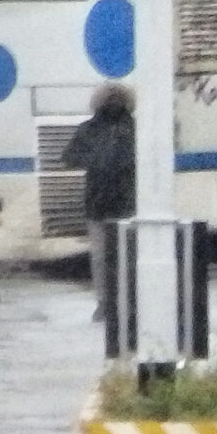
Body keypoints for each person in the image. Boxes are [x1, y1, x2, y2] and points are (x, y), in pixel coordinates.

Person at [63, 83, 136, 319]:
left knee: (126, 255)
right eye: (109, 99)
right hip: (100, 202)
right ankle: (105, 301)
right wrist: (96, 159)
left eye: (117, 99)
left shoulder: (134, 129)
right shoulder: (89, 129)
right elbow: (69, 157)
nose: (113, 104)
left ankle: (126, 300)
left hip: (126, 202)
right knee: (101, 257)